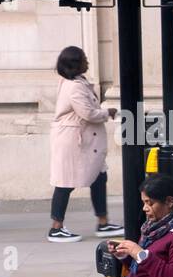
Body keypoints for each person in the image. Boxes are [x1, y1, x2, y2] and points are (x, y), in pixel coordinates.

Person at [48, 46, 123, 242]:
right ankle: (56, 228)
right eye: (83, 59)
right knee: (64, 183)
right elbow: (88, 113)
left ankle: (103, 222)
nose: (87, 62)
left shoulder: (76, 82)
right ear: (75, 64)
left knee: (99, 176)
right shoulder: (74, 87)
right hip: (74, 142)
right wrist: (109, 112)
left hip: (81, 141)